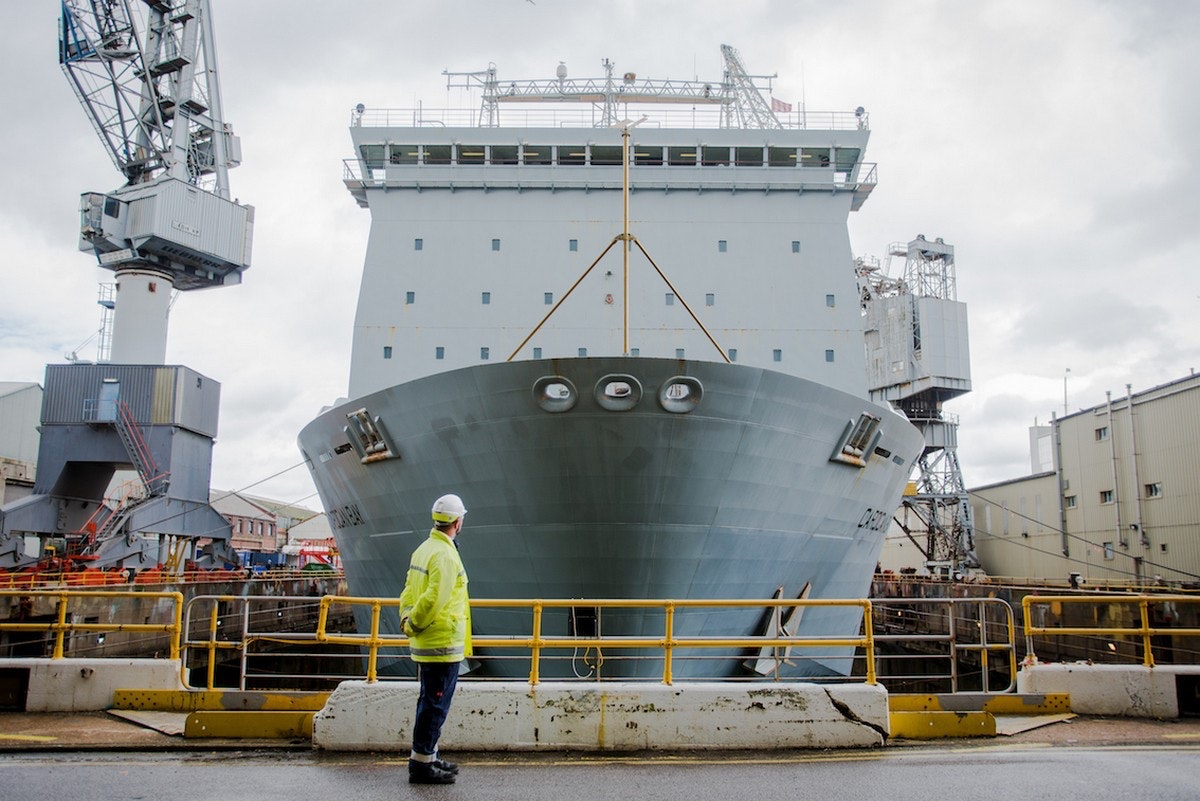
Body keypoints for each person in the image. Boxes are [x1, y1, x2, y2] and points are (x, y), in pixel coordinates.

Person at [398, 493, 472, 785]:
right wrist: (415, 623)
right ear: (457, 521)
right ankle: (421, 766)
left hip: (429, 643)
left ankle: (428, 756)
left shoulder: (424, 549)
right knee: (435, 705)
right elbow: (434, 598)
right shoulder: (445, 554)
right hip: (441, 644)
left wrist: (406, 618)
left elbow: (408, 590)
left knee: (429, 702)